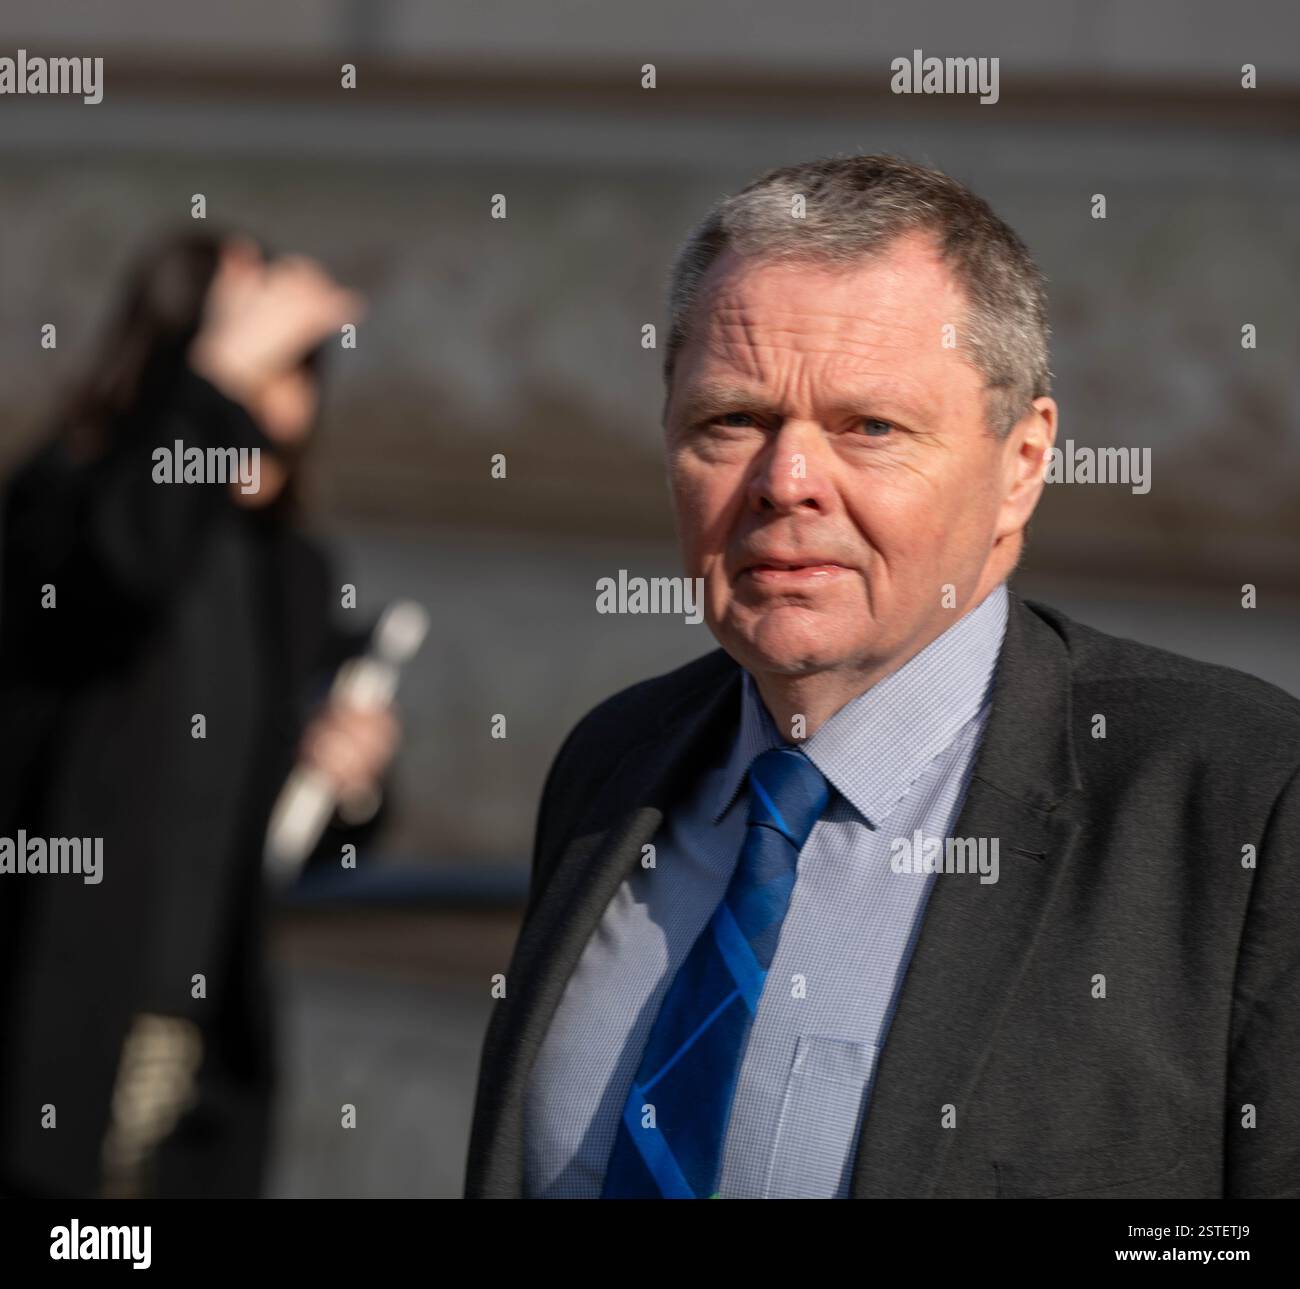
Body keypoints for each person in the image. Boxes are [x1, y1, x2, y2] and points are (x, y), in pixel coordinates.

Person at [465, 154, 1300, 1199]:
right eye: (733, 420)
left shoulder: (1242, 802)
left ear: (1021, 463)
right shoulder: (612, 762)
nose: (786, 483)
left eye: (870, 427)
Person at [0, 229, 399, 1198]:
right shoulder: (63, 509)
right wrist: (219, 372)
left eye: (297, 374)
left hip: (202, 1055)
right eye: (250, 371)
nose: (275, 410)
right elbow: (124, 560)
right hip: (43, 1033)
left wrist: (347, 786)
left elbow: (303, 846)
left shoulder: (291, 574)